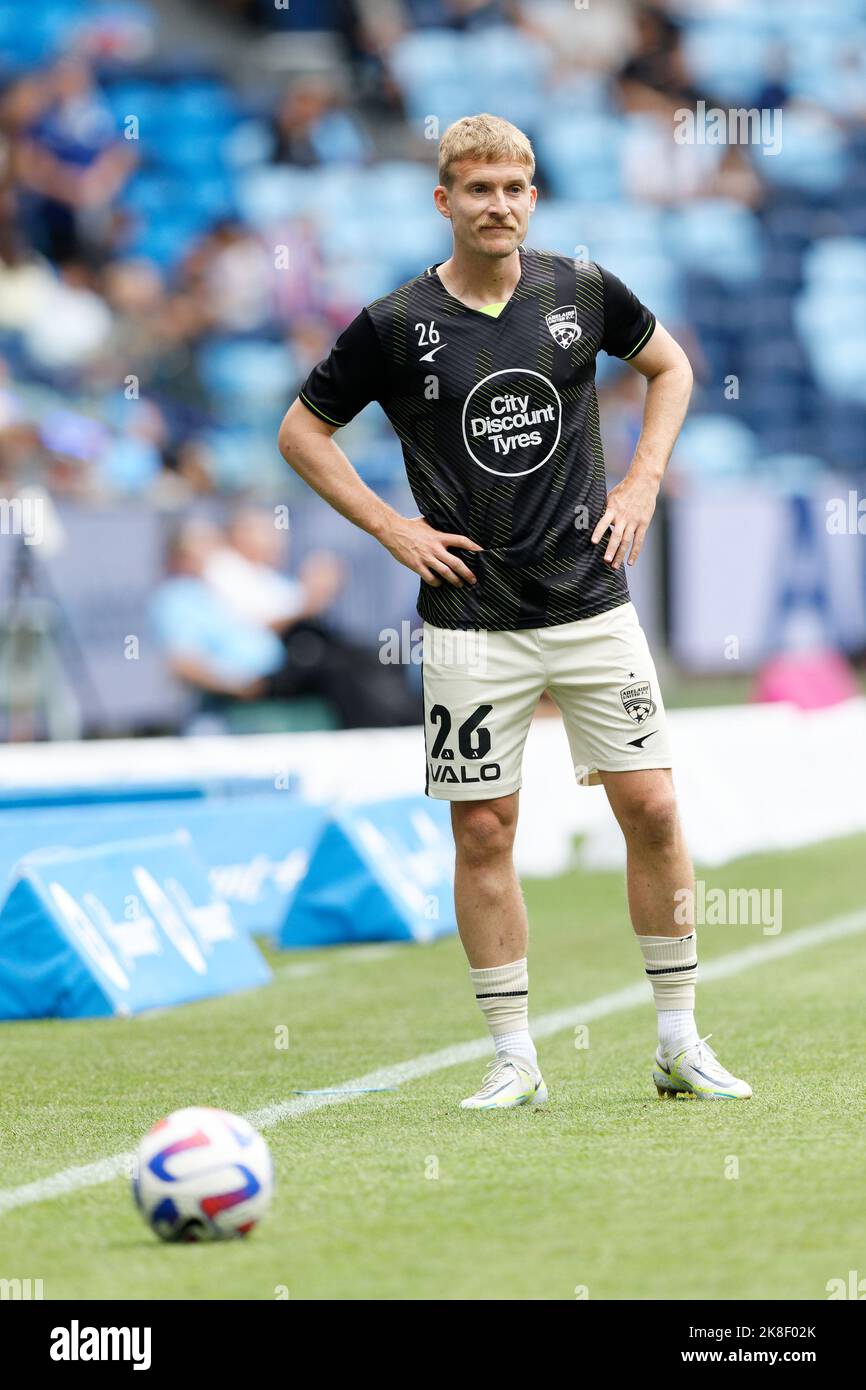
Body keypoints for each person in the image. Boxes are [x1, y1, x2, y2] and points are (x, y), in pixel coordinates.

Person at [278, 112, 752, 1109]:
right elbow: (301, 430)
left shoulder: (575, 290)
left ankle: (676, 1041)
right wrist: (386, 527)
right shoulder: (393, 325)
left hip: (589, 603)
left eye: (514, 187)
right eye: (478, 189)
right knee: (483, 832)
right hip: (466, 619)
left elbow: (670, 366)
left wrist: (641, 482)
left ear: (532, 196)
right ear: (442, 199)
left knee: (653, 807)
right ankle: (514, 1057)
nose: (498, 204)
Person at [150, 519, 419, 729]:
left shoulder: (229, 585)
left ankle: (408, 722)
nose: (214, 552)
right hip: (255, 683)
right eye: (203, 546)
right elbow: (183, 663)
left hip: (284, 668)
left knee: (360, 658)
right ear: (181, 557)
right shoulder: (178, 598)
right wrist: (236, 686)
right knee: (337, 668)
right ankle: (394, 730)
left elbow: (289, 609)